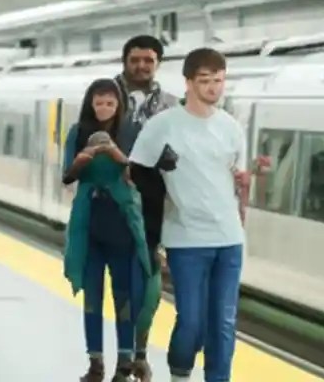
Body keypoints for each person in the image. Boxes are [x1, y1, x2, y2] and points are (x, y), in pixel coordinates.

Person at [129, 48, 250, 382]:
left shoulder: (231, 127)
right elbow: (136, 174)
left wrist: (247, 184)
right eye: (206, 81)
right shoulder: (163, 126)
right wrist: (154, 225)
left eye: (219, 81)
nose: (214, 88)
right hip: (186, 239)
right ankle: (180, 374)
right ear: (188, 82)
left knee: (223, 324)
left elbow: (237, 180)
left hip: (229, 239)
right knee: (192, 321)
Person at [62, 79, 152, 382]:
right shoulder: (77, 133)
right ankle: (95, 362)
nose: (103, 108)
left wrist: (117, 155)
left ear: (119, 105)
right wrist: (80, 161)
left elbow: (138, 175)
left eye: (109, 103)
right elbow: (67, 177)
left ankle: (124, 364)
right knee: (92, 295)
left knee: (124, 294)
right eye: (98, 102)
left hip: (123, 220)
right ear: (90, 103)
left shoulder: (131, 133)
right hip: (89, 221)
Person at [114, 34, 179, 382]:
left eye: (148, 60)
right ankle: (126, 356)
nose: (141, 66)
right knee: (121, 287)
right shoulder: (104, 96)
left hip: (153, 207)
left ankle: (137, 352)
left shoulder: (170, 104)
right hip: (111, 206)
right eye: (135, 59)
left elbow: (180, 154)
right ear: (125, 60)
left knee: (150, 286)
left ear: (158, 64)